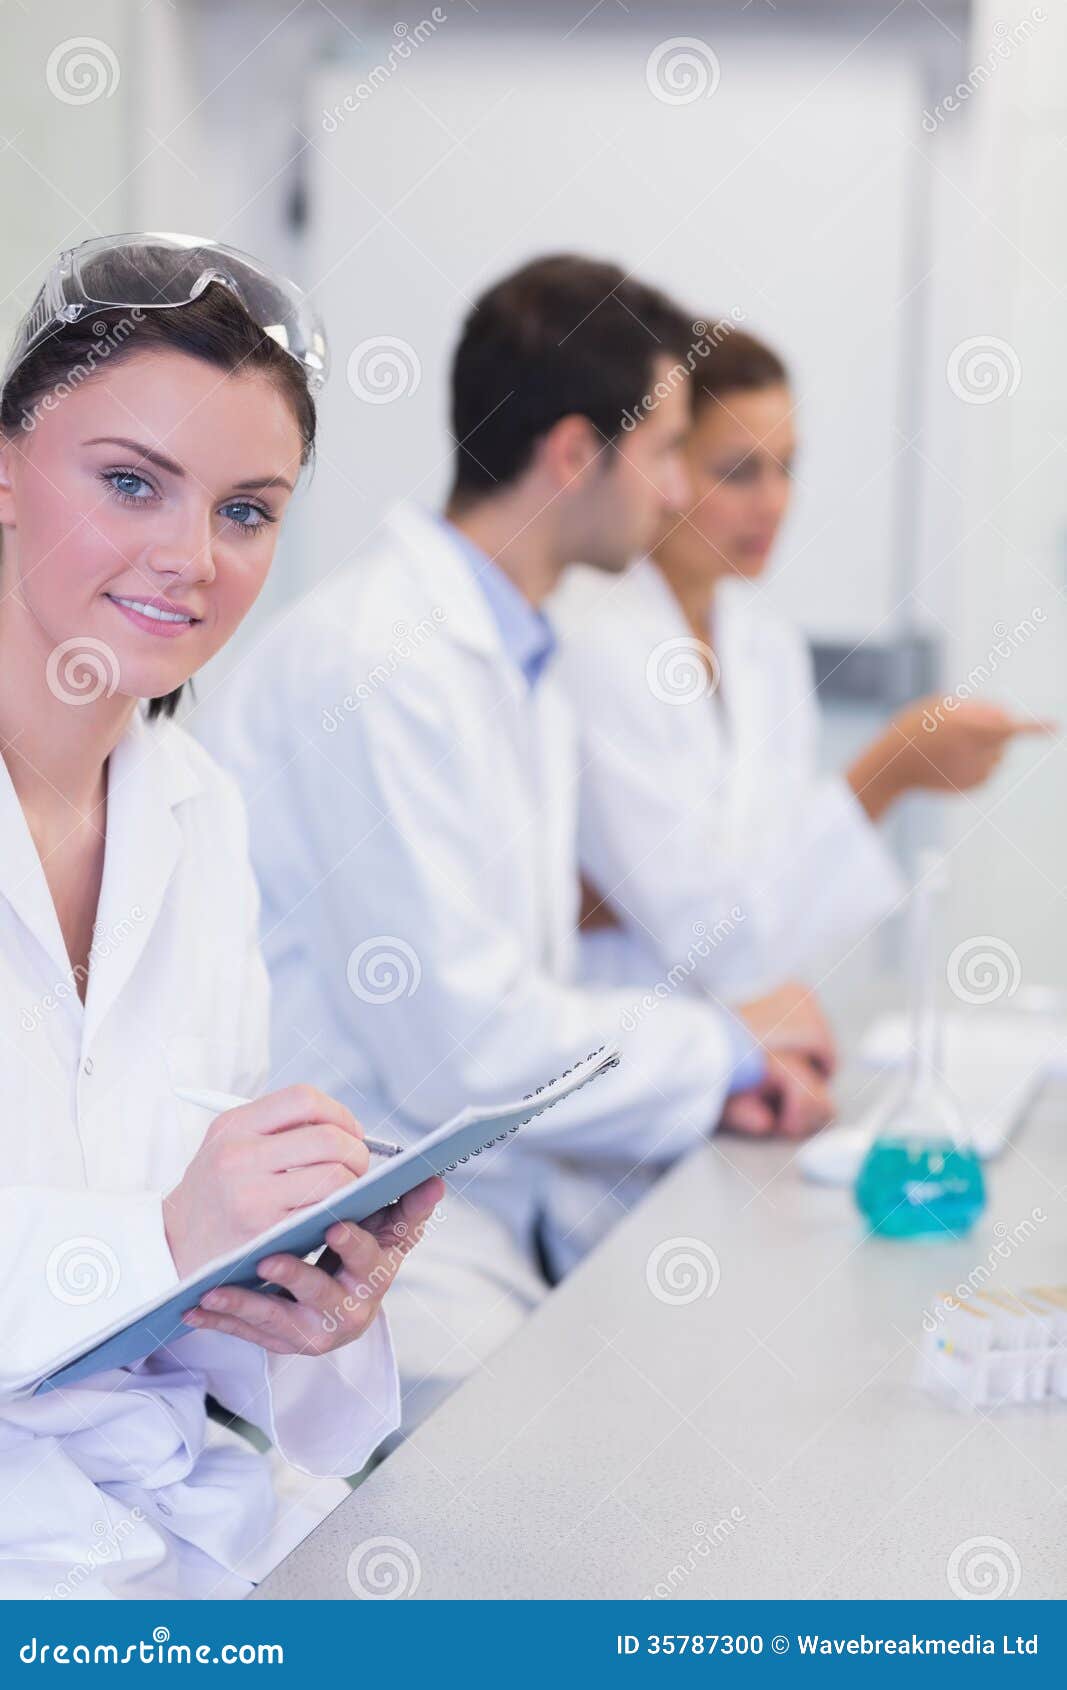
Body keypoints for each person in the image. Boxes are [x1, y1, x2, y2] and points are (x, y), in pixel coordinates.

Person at [204, 256, 836, 1427]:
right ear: (572, 454)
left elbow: (508, 1016)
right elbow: (468, 1050)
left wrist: (710, 1079)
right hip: (339, 1254)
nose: (672, 492)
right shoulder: (376, 662)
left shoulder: (521, 657)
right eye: (662, 453)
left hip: (467, 1204)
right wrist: (727, 1050)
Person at [0, 234, 441, 1599]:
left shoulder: (198, 812)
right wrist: (165, 1240)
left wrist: (300, 1298)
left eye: (247, 511)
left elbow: (175, 1308)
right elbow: (140, 1242)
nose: (191, 558)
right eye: (130, 482)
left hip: (165, 1540)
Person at [550, 323, 1046, 1000]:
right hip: (609, 1052)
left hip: (724, 1050)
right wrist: (883, 774)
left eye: (786, 467)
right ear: (660, 467)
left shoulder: (764, 644)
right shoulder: (588, 638)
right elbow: (705, 931)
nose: (774, 503)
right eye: (737, 471)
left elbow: (769, 896)